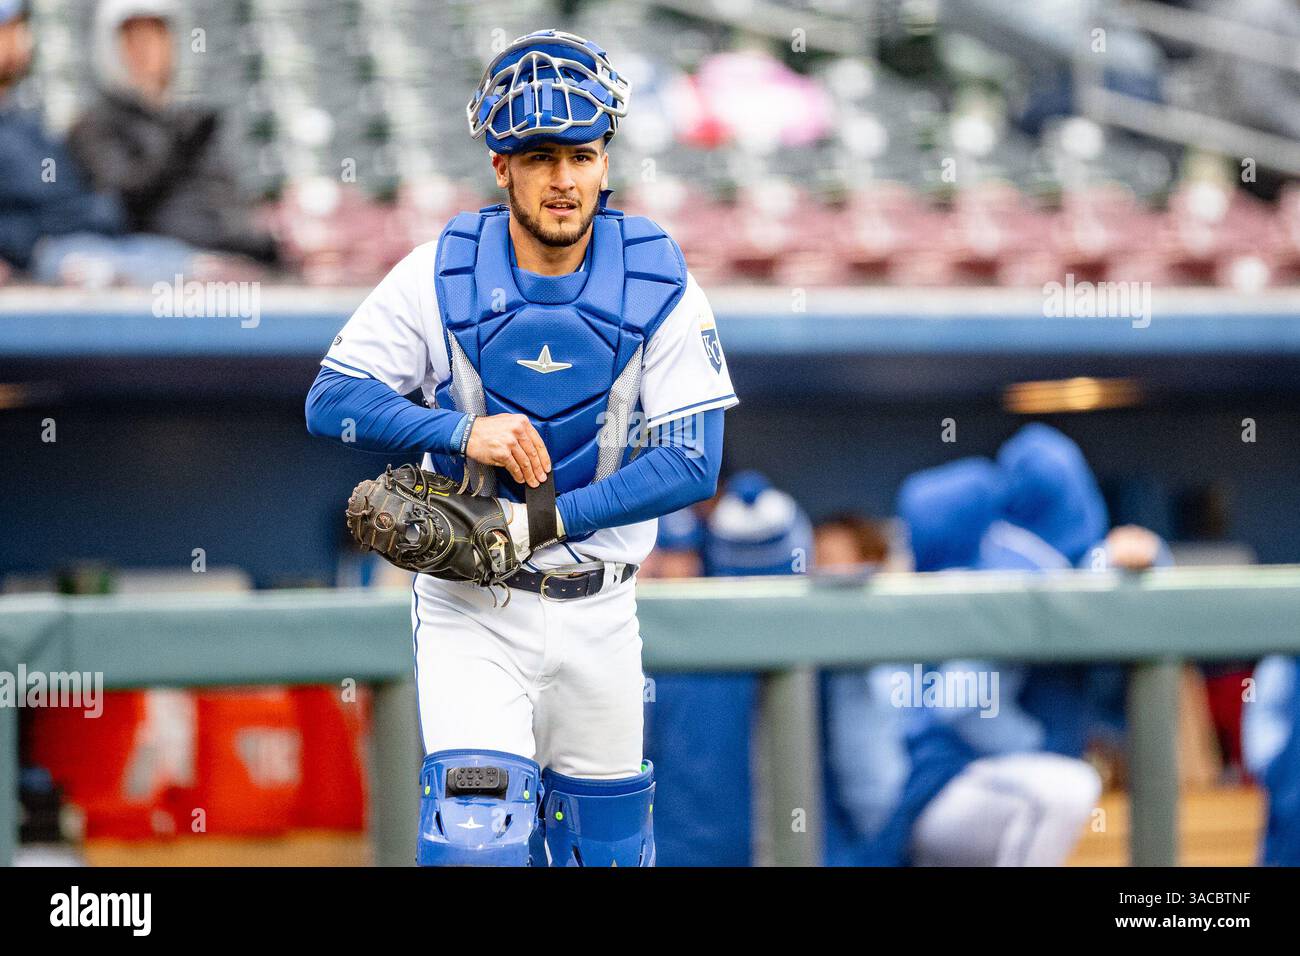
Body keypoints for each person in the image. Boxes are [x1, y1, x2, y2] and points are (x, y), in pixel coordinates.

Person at [304, 30, 738, 866]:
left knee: (603, 854)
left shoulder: (658, 277)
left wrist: (539, 522)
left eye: (581, 155)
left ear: (605, 162)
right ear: (501, 166)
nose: (563, 179)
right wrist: (459, 430)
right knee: (477, 844)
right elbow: (332, 399)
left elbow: (693, 459)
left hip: (602, 608)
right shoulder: (440, 271)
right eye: (540, 157)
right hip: (474, 607)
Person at [642, 472, 811, 865]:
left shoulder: (759, 646)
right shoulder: (637, 642)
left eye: (684, 554)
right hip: (669, 848)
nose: (674, 569)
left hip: (744, 848)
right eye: (662, 556)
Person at [68, 0, 278, 265]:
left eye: (155, 38)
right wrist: (179, 149)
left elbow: (228, 193)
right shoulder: (96, 124)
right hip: (161, 261)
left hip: (232, 251)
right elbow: (124, 198)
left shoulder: (189, 119)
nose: (145, 51)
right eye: (133, 40)